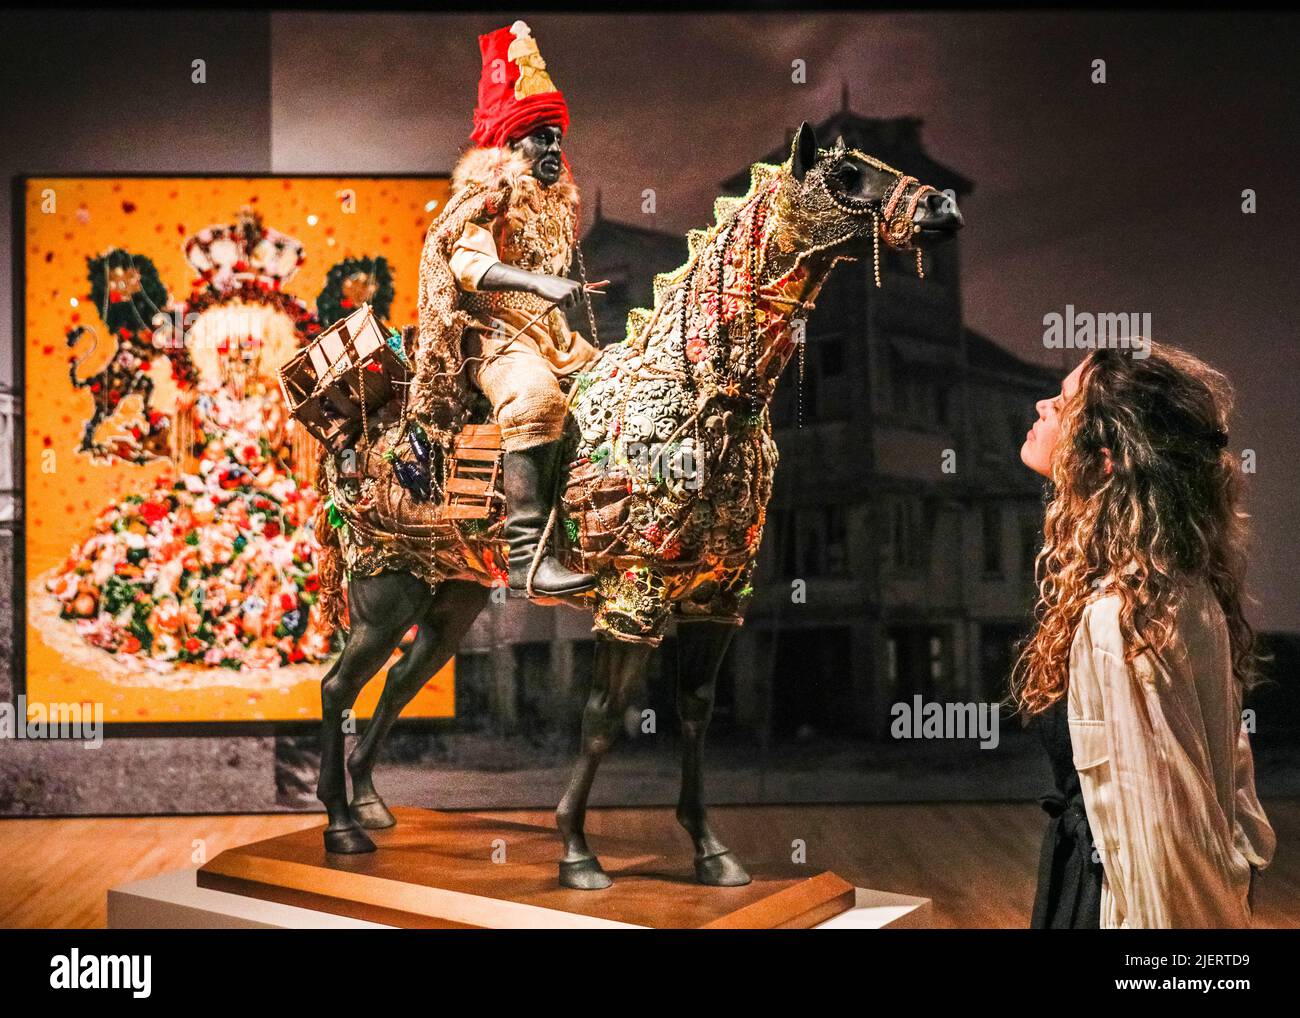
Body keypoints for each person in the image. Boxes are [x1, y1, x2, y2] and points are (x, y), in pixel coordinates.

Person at [1015, 342, 1275, 928]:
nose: (1041, 406)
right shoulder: (1179, 588)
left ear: (1103, 458)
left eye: (1061, 404)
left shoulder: (1122, 619)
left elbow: (1156, 838)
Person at [415, 20, 600, 597]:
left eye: (557, 138)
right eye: (539, 137)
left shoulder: (551, 207)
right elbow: (470, 265)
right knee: (538, 400)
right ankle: (527, 560)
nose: (552, 149)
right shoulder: (487, 198)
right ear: (511, 144)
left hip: (554, 341)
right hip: (498, 341)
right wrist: (540, 287)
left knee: (624, 391)